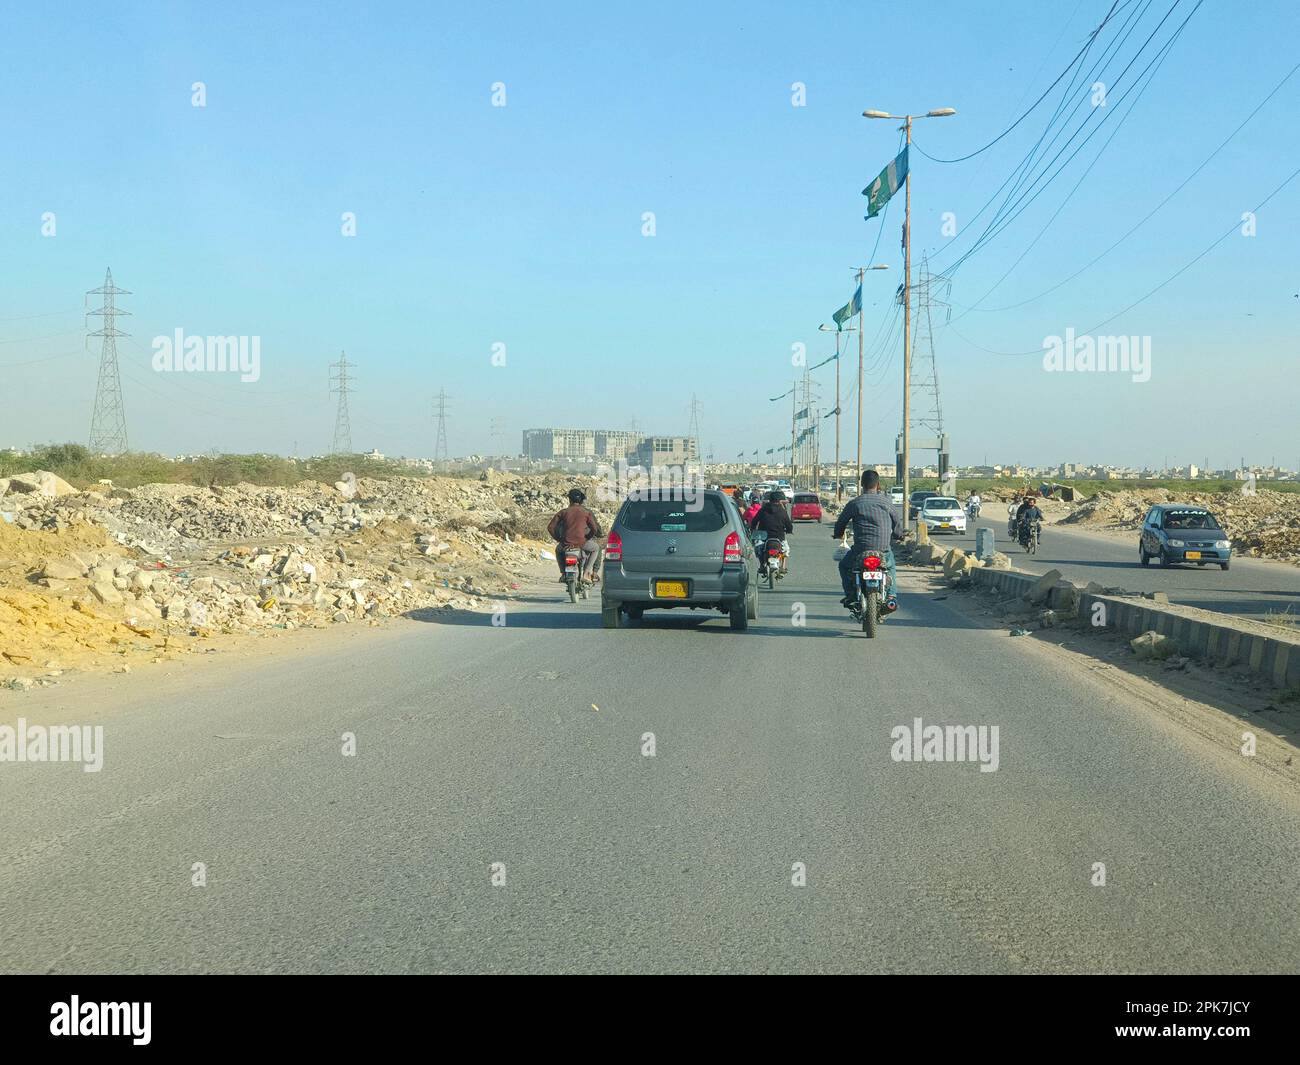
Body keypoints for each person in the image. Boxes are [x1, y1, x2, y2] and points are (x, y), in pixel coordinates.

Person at [832, 469, 903, 609]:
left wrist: (838, 534)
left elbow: (841, 523)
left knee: (844, 566)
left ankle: (851, 595)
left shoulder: (855, 503)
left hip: (860, 550)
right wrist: (898, 535)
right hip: (883, 549)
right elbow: (897, 524)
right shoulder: (886, 502)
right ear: (878, 485)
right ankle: (891, 596)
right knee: (891, 566)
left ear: (862, 484)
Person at [547, 489, 603, 582]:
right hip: (582, 543)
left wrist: (559, 539)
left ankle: (564, 574)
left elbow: (550, 527)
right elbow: (595, 528)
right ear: (581, 500)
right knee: (596, 548)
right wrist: (588, 537)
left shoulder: (563, 512)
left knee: (558, 550)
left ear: (569, 500)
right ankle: (588, 573)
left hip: (566, 544)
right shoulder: (586, 512)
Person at [749, 490, 793, 574]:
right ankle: (783, 567)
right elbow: (788, 524)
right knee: (785, 550)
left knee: (758, 549)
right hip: (779, 537)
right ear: (779, 501)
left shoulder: (763, 510)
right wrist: (789, 530)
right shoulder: (782, 511)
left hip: (763, 536)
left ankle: (762, 565)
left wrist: (753, 529)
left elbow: (755, 521)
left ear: (770, 500)